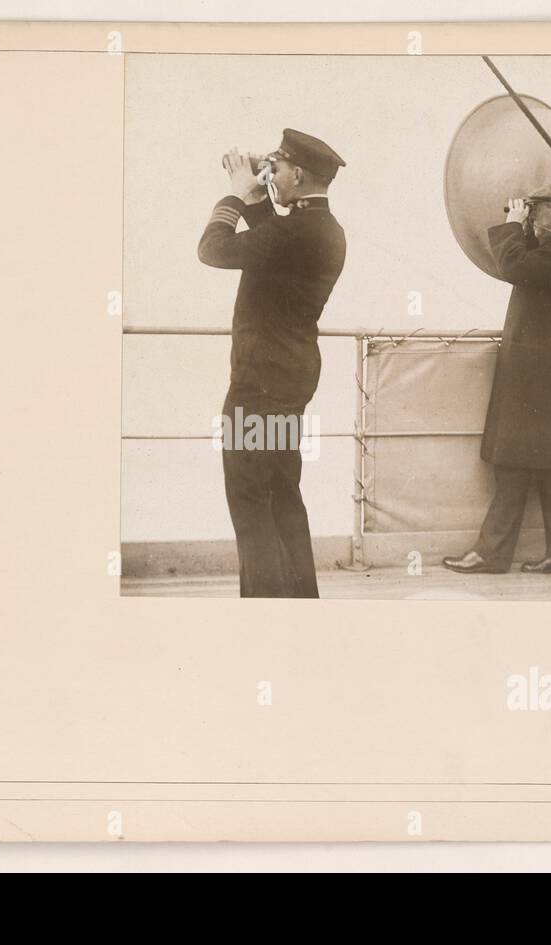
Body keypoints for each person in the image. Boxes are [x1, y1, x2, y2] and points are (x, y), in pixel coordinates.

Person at [197, 129, 347, 597]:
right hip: (291, 381)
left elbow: (213, 249)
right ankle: (300, 602)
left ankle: (264, 613)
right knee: (282, 491)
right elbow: (273, 242)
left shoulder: (288, 234)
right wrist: (265, 194)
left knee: (248, 498)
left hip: (257, 386)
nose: (270, 173)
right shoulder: (325, 229)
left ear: (298, 174)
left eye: (276, 167)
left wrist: (236, 197)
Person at [444, 181, 551, 577]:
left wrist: (512, 223)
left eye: (537, 209)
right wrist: (524, 227)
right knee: (549, 465)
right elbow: (529, 263)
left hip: (539, 377)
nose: (533, 215)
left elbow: (515, 267)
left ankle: (491, 554)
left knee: (511, 463)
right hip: (546, 374)